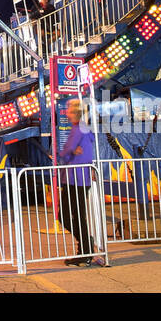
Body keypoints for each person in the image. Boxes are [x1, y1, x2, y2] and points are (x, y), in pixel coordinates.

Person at [56, 97, 102, 266]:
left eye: (68, 109)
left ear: (74, 112)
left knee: (67, 216)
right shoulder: (83, 128)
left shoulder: (78, 129)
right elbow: (71, 151)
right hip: (80, 178)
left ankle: (85, 247)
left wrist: (68, 153)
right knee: (75, 216)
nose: (66, 112)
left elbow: (65, 152)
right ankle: (85, 247)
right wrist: (71, 152)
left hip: (75, 179)